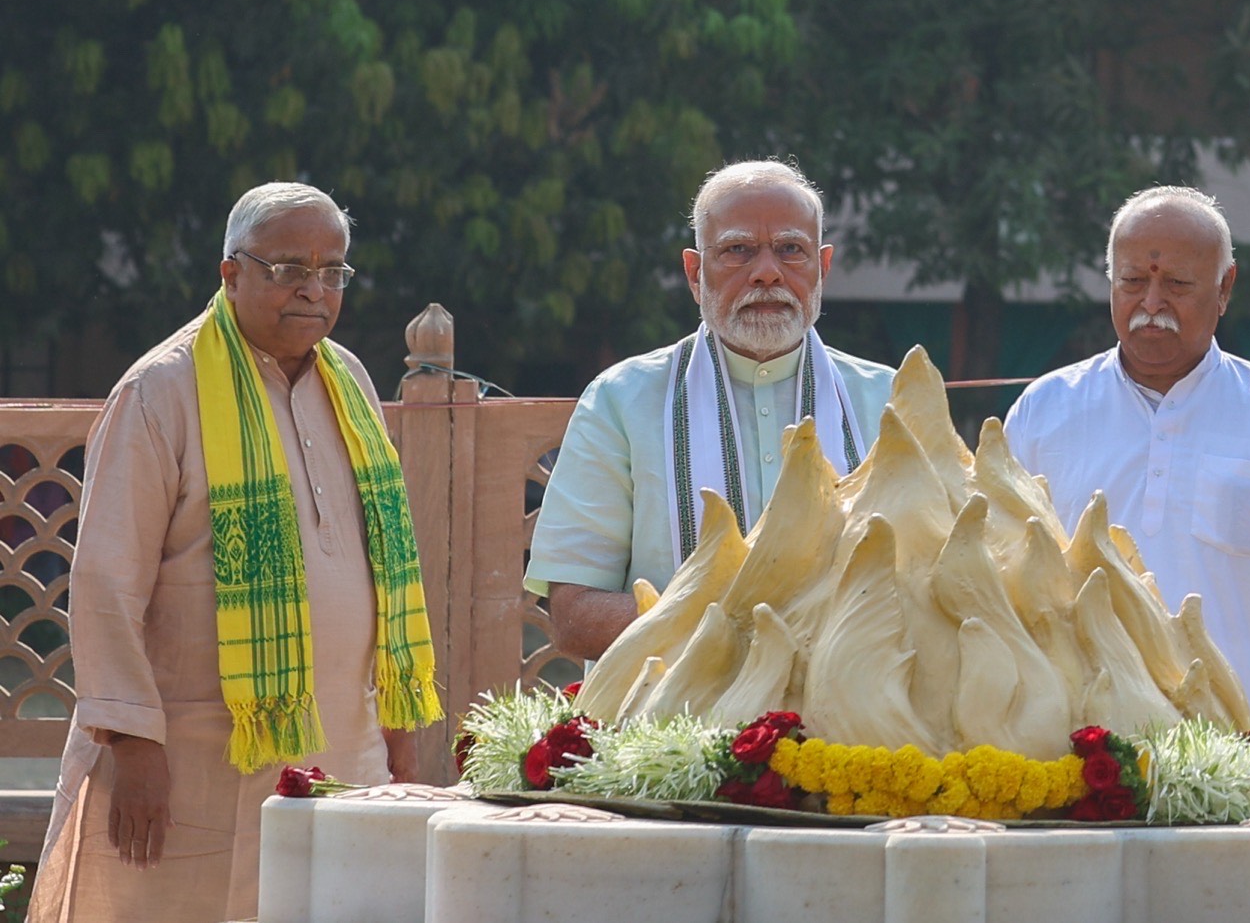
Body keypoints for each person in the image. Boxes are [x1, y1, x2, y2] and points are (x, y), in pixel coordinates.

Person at [33, 184, 439, 923]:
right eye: (286, 269)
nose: (313, 291)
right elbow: (103, 585)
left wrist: (397, 728)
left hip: (343, 748)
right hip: (190, 759)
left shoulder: (348, 380)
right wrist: (133, 746)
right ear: (230, 274)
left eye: (332, 272)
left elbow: (380, 568)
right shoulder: (161, 391)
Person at [1005, 186, 1250, 732]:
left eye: (1176, 284)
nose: (1151, 304)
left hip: (1243, 754)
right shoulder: (1045, 410)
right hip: (1080, 748)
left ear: (1225, 289)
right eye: (1132, 281)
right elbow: (1002, 584)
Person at [527, 159, 894, 656]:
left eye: (790, 250)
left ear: (822, 267)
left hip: (849, 719)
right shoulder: (621, 400)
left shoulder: (888, 401)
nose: (767, 273)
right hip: (672, 724)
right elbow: (573, 616)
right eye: (738, 251)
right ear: (695, 272)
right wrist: (733, 621)